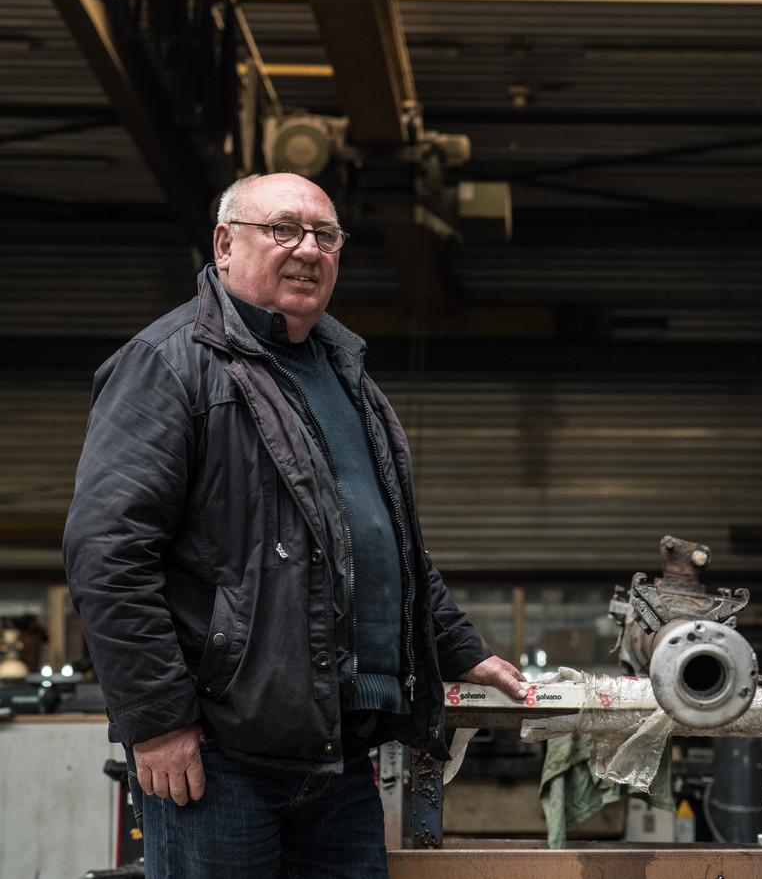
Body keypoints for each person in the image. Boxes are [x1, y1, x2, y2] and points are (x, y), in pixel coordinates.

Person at [63, 172, 527, 878]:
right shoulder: (169, 365)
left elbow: (383, 541)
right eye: (283, 229)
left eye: (326, 235)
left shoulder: (343, 372)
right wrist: (157, 721)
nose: (308, 250)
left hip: (339, 749)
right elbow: (108, 553)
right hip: (220, 752)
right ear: (225, 245)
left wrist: (457, 646)